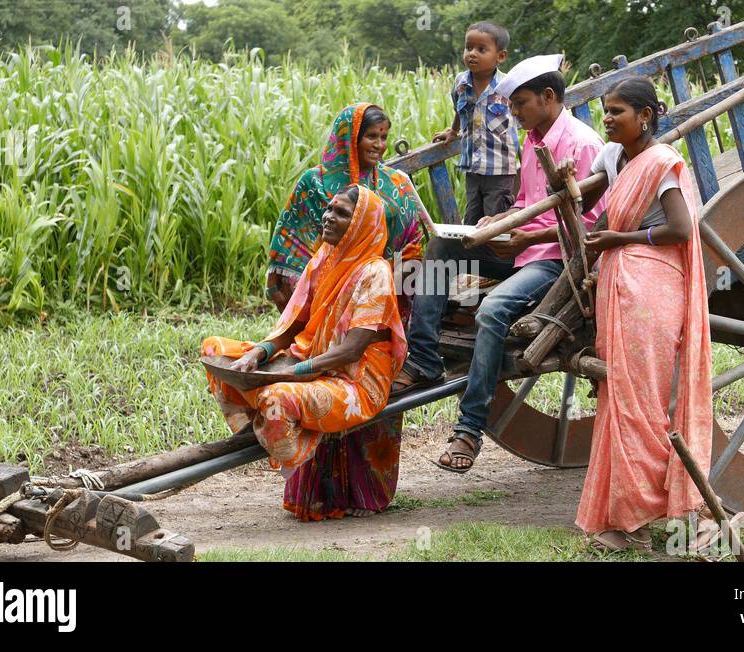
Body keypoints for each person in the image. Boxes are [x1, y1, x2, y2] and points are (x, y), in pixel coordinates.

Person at [392, 55, 607, 473]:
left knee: (492, 310)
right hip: (522, 247)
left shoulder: (582, 144)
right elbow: (530, 203)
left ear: (548, 97)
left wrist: (528, 236)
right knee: (442, 247)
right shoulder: (534, 139)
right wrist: (500, 222)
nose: (513, 112)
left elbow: (589, 225)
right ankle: (422, 358)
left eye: (519, 103)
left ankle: (469, 430)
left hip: (557, 260)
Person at [560, 76, 712, 552]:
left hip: (653, 289)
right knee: (621, 399)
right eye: (605, 110)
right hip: (619, 288)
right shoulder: (613, 158)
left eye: (617, 111)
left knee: (642, 400)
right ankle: (628, 519)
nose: (607, 118)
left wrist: (619, 242)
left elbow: (680, 229)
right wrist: (564, 183)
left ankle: (662, 511)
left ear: (645, 117)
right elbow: (595, 202)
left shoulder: (663, 163)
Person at [202, 185, 408, 521]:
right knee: (213, 349)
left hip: (355, 380)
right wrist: (261, 353)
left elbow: (352, 348)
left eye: (341, 213)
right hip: (308, 362)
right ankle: (265, 430)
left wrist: (295, 374)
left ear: (360, 224)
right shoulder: (323, 259)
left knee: (275, 400)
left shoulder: (375, 272)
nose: (328, 217)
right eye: (329, 209)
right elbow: (294, 321)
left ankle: (296, 439)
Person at [266, 103, 424, 313]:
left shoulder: (394, 182)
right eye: (371, 136)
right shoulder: (315, 182)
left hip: (379, 285)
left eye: (383, 137)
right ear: (350, 139)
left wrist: (378, 280)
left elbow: (411, 244)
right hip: (323, 285)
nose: (379, 145)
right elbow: (292, 242)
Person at [432, 21, 520, 226]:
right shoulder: (461, 83)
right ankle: (474, 258)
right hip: (472, 167)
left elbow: (522, 115)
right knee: (472, 218)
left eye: (481, 49)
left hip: (500, 169)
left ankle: (497, 258)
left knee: (496, 220)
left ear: (500, 56)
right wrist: (453, 131)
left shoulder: (508, 86)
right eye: (468, 47)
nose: (472, 53)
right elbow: (458, 109)